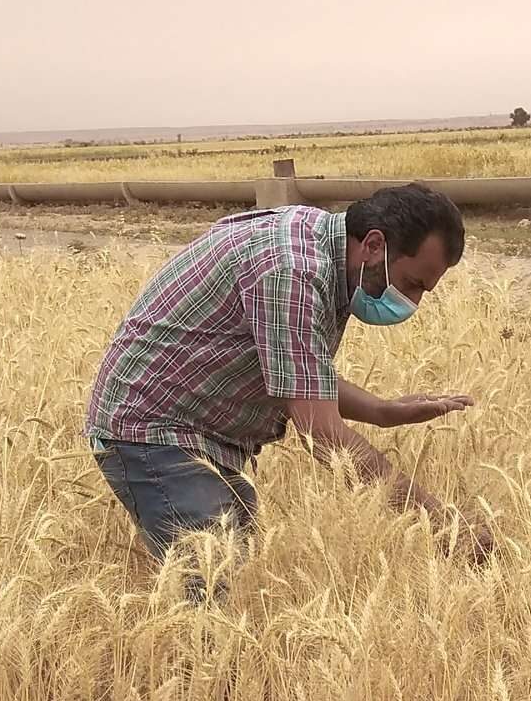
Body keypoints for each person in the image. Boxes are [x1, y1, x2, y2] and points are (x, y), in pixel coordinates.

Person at [85, 181, 490, 599]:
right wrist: (440, 522)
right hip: (153, 430)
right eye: (411, 283)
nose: (412, 301)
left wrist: (384, 411)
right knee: (210, 589)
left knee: (232, 572)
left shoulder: (328, 252)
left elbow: (296, 373)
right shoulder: (291, 270)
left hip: (198, 433)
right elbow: (322, 433)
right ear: (373, 245)